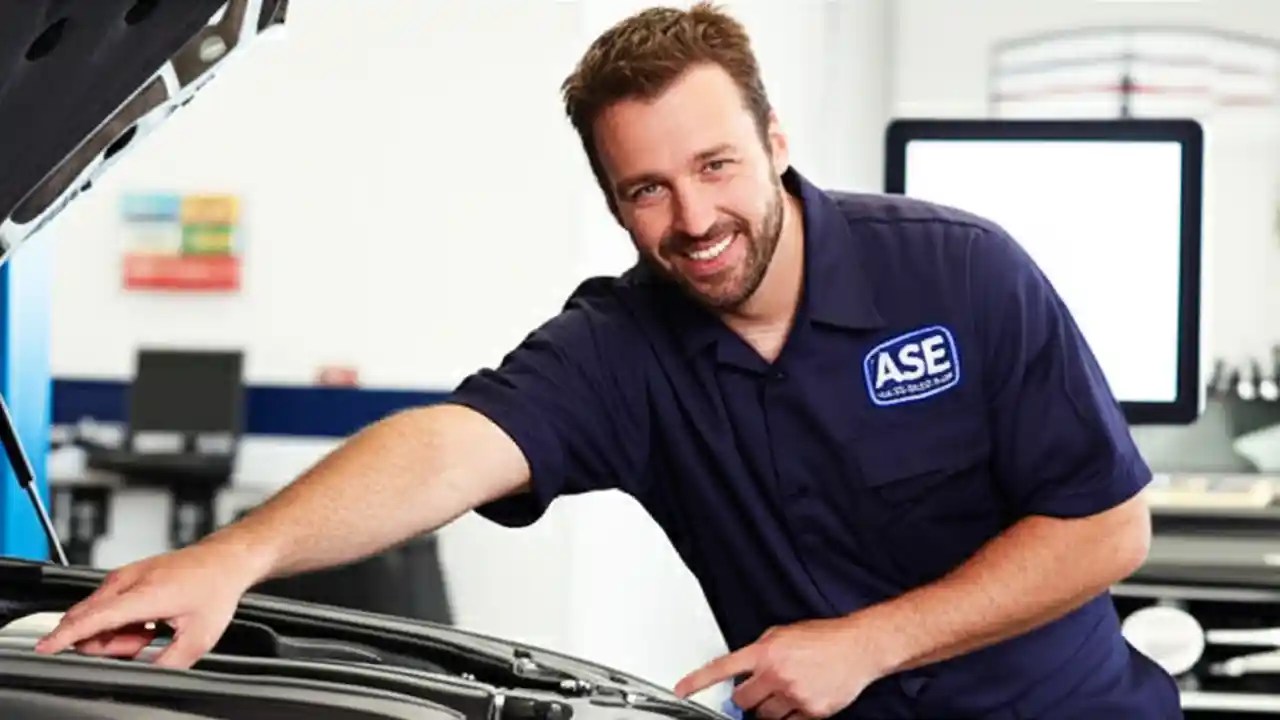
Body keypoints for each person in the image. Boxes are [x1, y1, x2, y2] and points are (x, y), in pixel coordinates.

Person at [36, 3, 1182, 718]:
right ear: (614, 203)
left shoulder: (961, 274)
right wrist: (234, 560)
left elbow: (1106, 526)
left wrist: (868, 644)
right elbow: (447, 448)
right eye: (647, 189)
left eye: (717, 165)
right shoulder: (621, 346)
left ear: (777, 144)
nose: (694, 218)